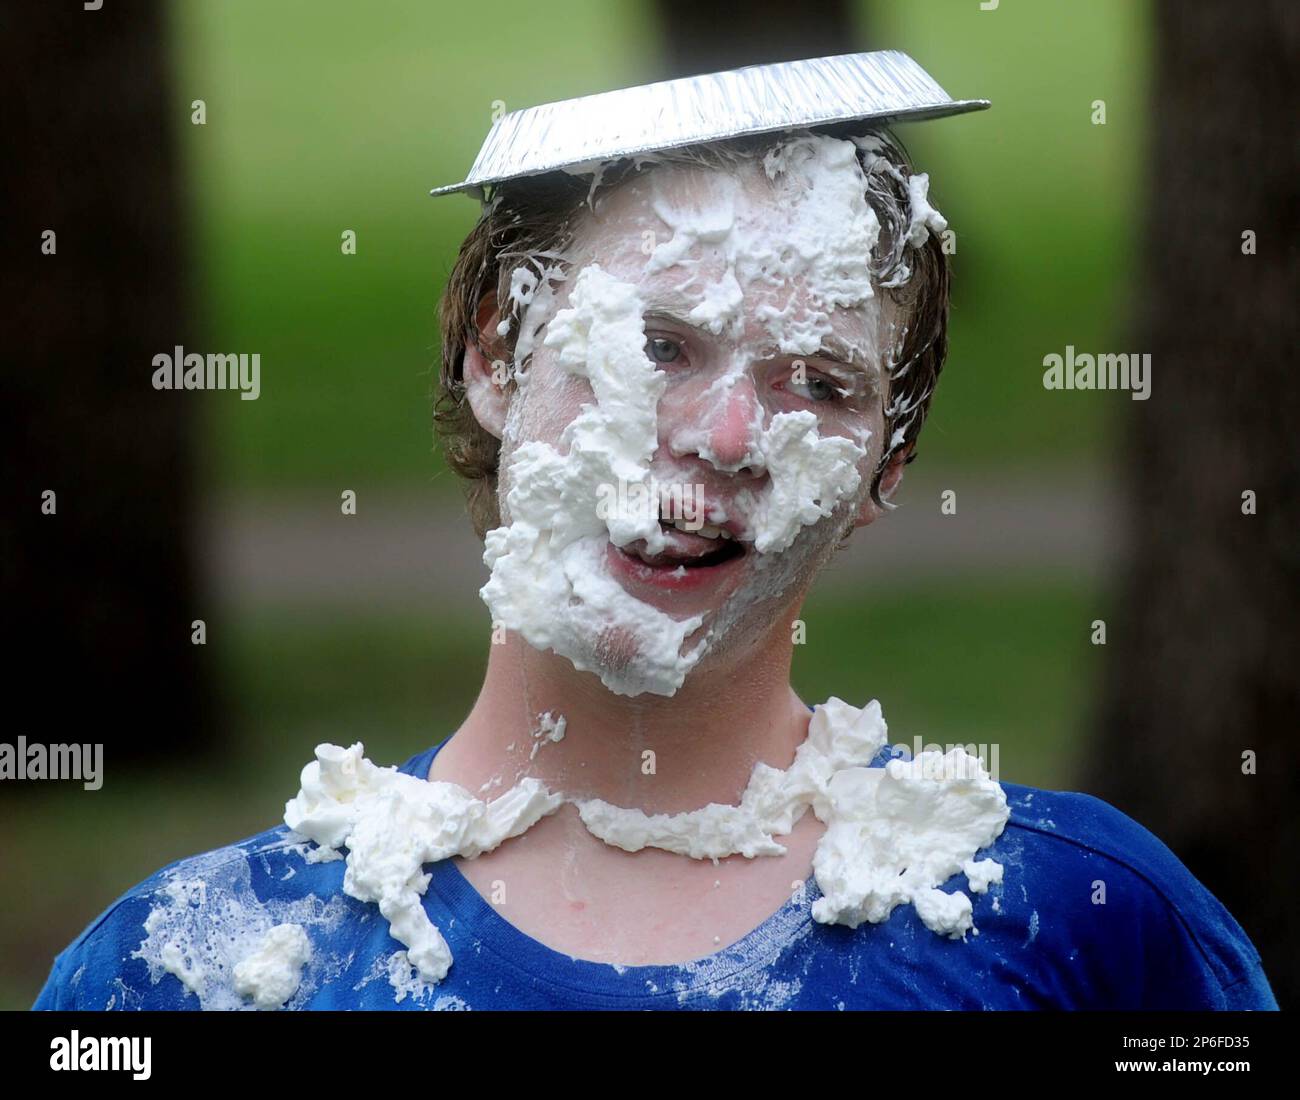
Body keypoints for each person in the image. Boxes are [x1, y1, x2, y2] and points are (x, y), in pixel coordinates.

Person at [34, 84, 1277, 1013]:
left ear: (882, 471)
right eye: (661, 346)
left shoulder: (1085, 926)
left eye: (819, 382)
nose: (728, 435)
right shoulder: (188, 969)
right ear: (494, 356)